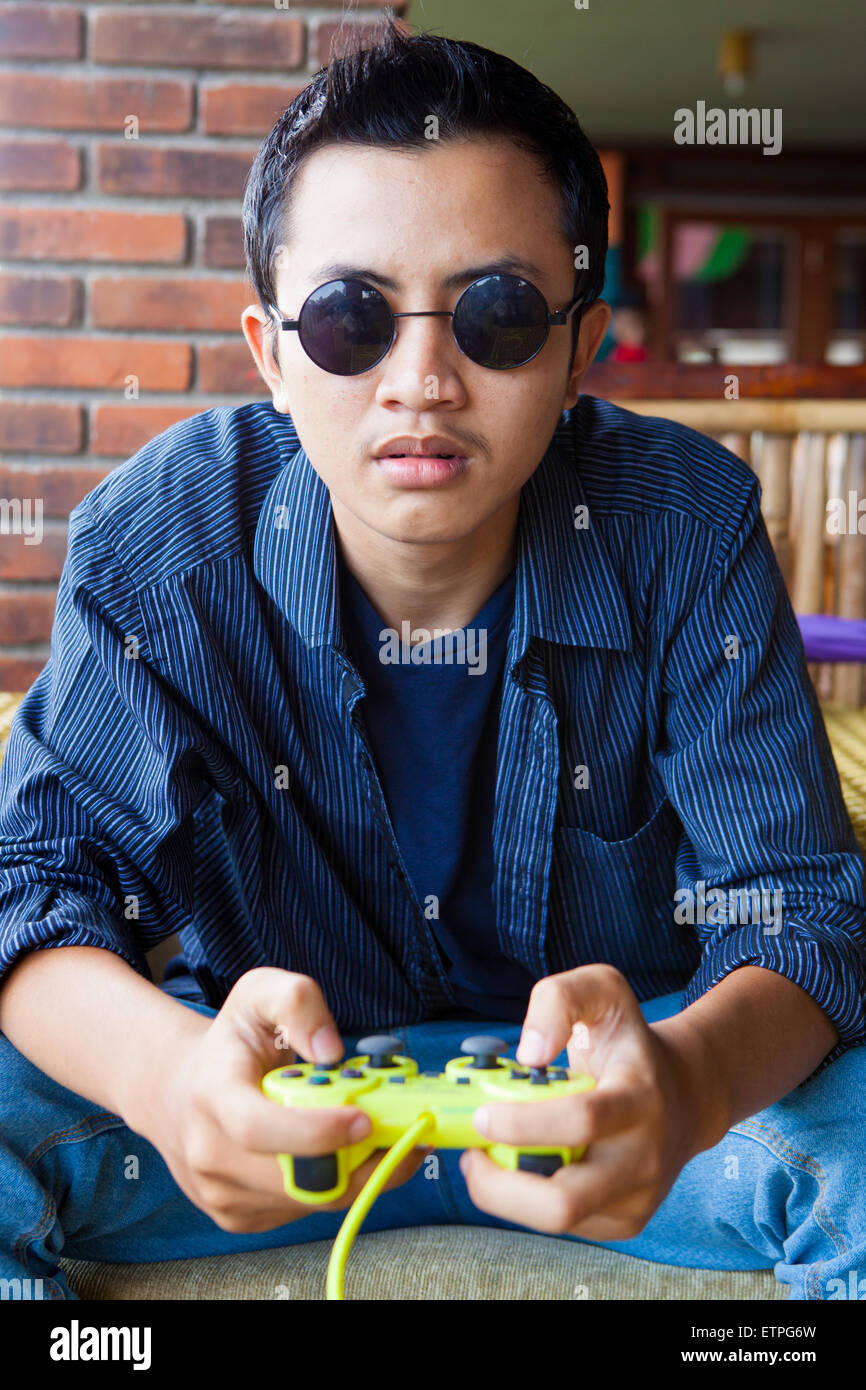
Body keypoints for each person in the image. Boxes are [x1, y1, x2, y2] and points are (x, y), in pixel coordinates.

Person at [1, 19, 865, 1304]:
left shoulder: (681, 521)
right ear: (272, 351)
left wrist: (683, 1080)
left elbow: (799, 906)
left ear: (580, 349)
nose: (421, 380)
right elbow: (33, 881)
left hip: (615, 1116)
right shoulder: (158, 536)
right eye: (350, 318)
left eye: (496, 317)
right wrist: (167, 1076)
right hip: (280, 1107)